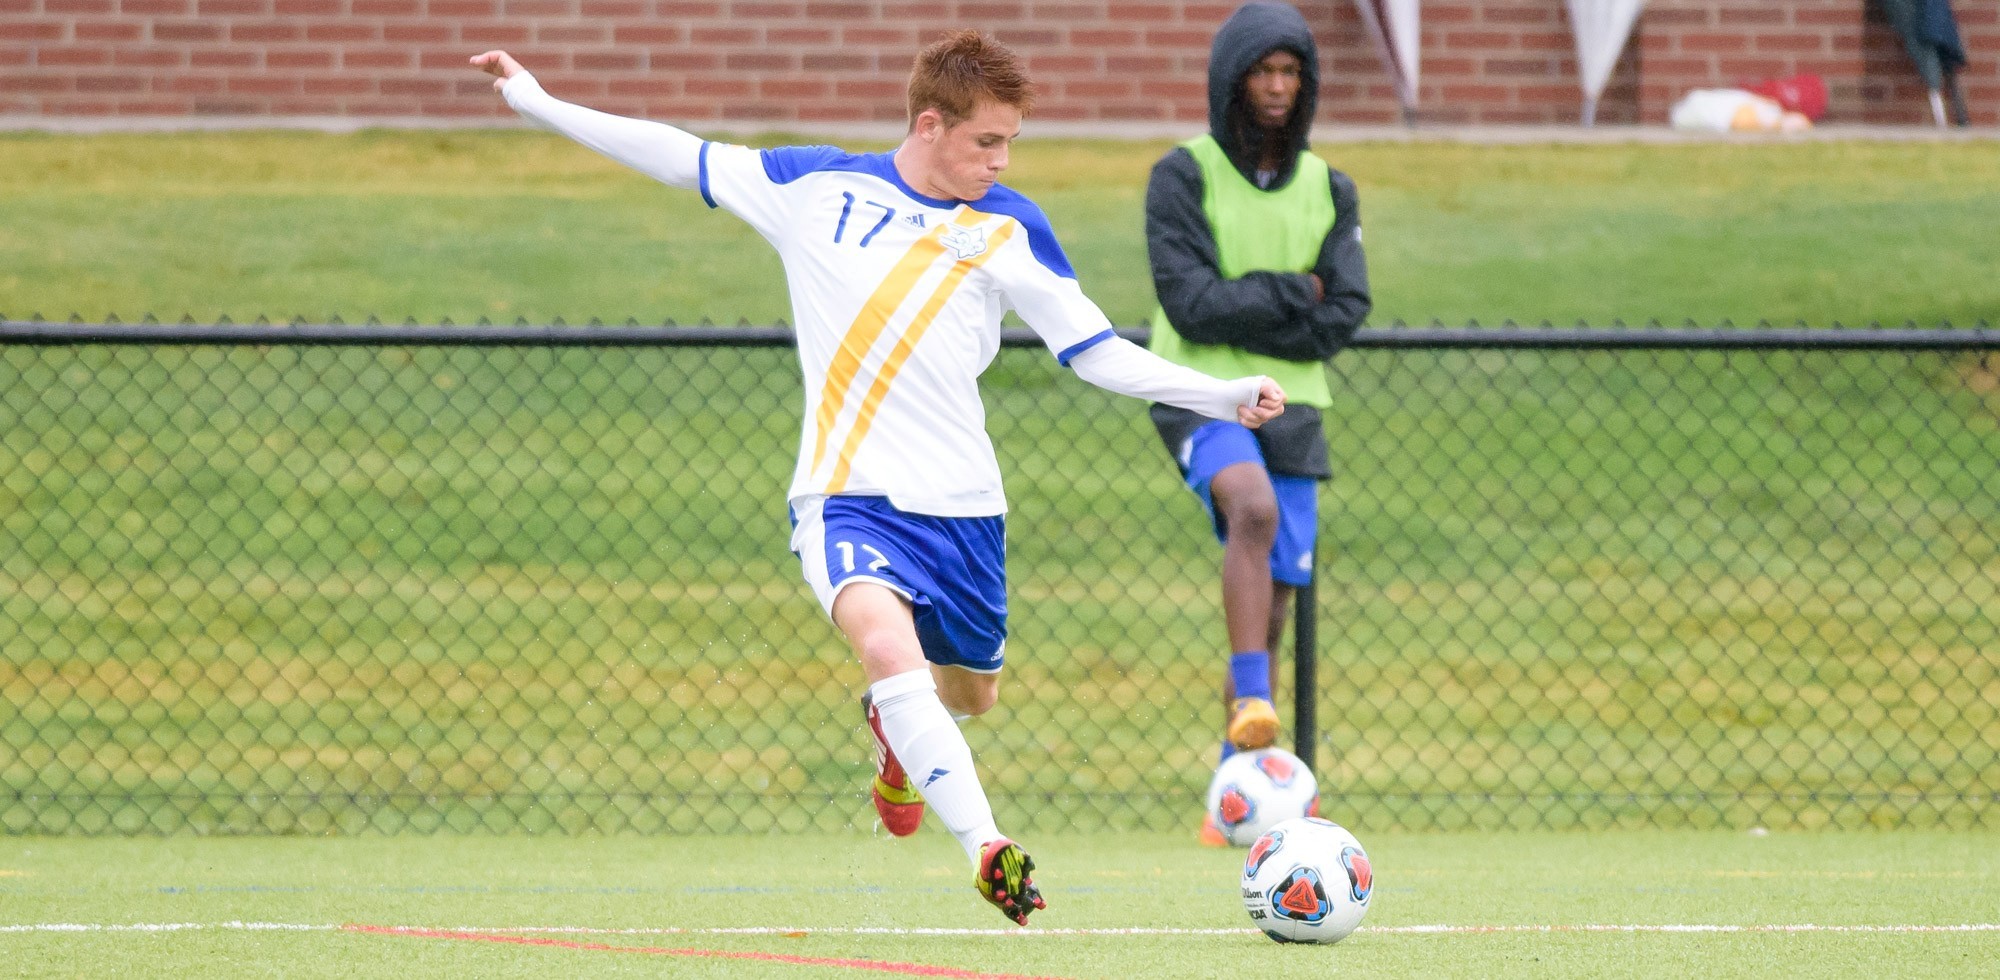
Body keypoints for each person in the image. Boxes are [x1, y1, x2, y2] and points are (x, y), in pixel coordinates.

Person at [470, 32, 1286, 923]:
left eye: (1010, 143)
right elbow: (676, 153)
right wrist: (537, 101)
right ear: (930, 124)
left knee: (972, 693)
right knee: (890, 653)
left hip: (965, 511)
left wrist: (1221, 395)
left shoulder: (1010, 226)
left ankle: (898, 737)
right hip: (845, 498)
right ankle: (988, 848)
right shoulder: (815, 189)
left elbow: (1094, 352)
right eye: (986, 141)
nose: (1001, 161)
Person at [1139, 1, 1370, 844]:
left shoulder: (1330, 189)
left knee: (1271, 611)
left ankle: (1232, 795)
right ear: (1232, 79)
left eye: (1290, 73)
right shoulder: (1182, 175)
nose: (1277, 87)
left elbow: (1343, 313)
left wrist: (1258, 307)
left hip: (1296, 404)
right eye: (1262, 72)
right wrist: (1294, 290)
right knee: (1253, 508)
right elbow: (1190, 306)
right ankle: (1250, 697)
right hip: (1201, 393)